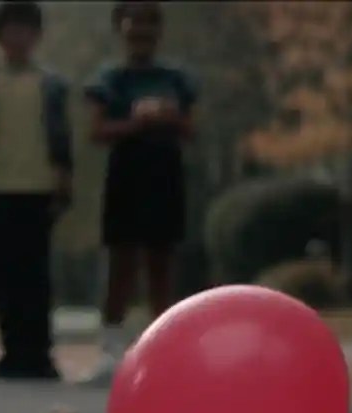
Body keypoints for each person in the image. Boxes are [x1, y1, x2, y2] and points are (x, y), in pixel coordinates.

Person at [82, 0, 197, 387]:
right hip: (126, 175)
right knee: (121, 264)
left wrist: (169, 118)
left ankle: (164, 351)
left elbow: (191, 129)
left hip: (165, 174)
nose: (141, 32)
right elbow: (97, 132)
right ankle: (111, 351)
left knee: (162, 265)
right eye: (134, 24)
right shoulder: (109, 79)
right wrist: (136, 122)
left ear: (158, 31)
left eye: (149, 24)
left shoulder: (177, 78)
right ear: (121, 29)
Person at [0, 0, 72, 381]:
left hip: (38, 188)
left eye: (25, 29)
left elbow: (61, 138)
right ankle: (13, 352)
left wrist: (64, 180)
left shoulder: (51, 84)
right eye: (11, 29)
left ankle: (39, 354)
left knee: (37, 276)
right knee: (1, 276)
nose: (18, 37)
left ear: (37, 35)